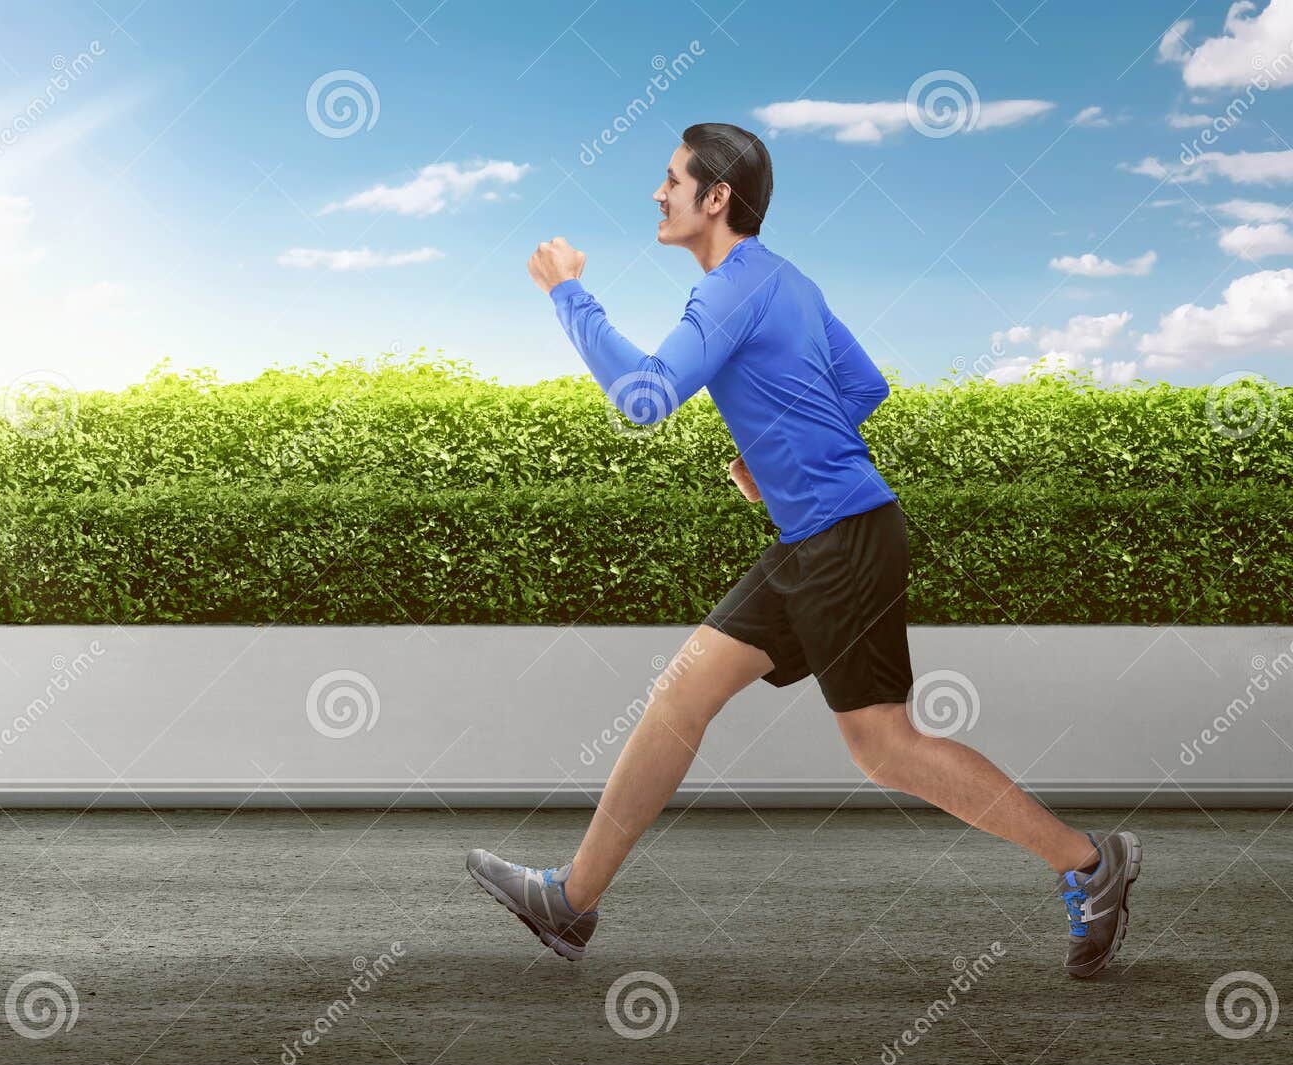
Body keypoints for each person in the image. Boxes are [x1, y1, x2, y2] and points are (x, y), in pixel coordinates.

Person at [465, 122, 1140, 980]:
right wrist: (772, 452)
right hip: (812, 537)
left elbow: (644, 396)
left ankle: (1089, 862)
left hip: (843, 536)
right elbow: (863, 385)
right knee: (681, 696)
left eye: (672, 179)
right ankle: (572, 900)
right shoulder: (788, 281)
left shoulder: (726, 292)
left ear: (716, 198)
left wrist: (568, 293)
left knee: (884, 746)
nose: (658, 193)